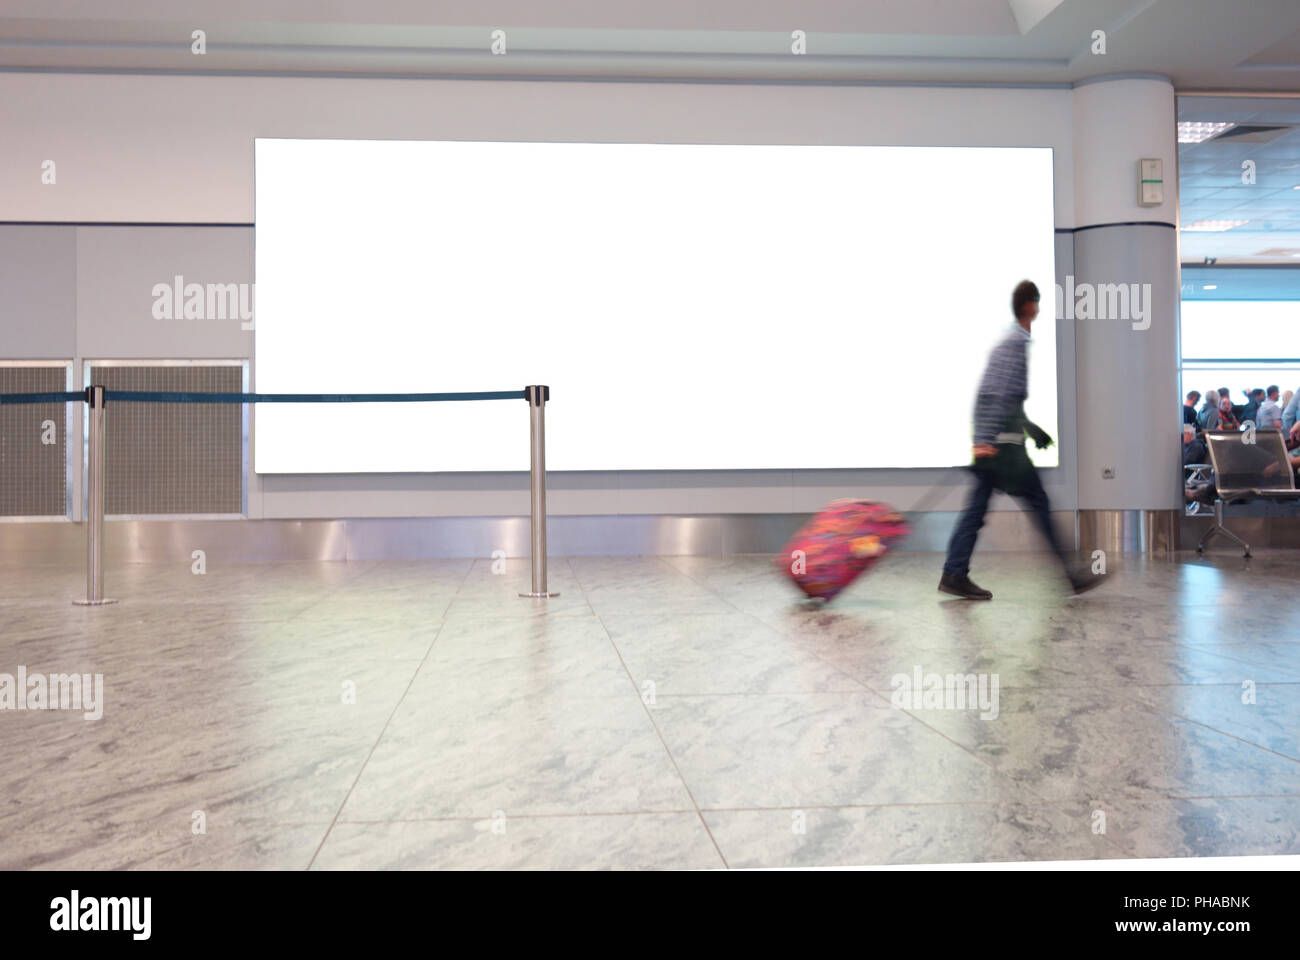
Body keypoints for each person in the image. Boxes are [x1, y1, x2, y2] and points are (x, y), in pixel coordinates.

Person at [939, 280, 1102, 600]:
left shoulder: (1015, 343)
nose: (1039, 309)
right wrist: (983, 441)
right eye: (1038, 303)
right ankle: (1071, 574)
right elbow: (993, 395)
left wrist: (1030, 429)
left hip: (1003, 446)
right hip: (1003, 452)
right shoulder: (1013, 345)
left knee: (977, 511)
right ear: (1029, 306)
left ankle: (954, 573)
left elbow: (1006, 400)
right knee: (1037, 507)